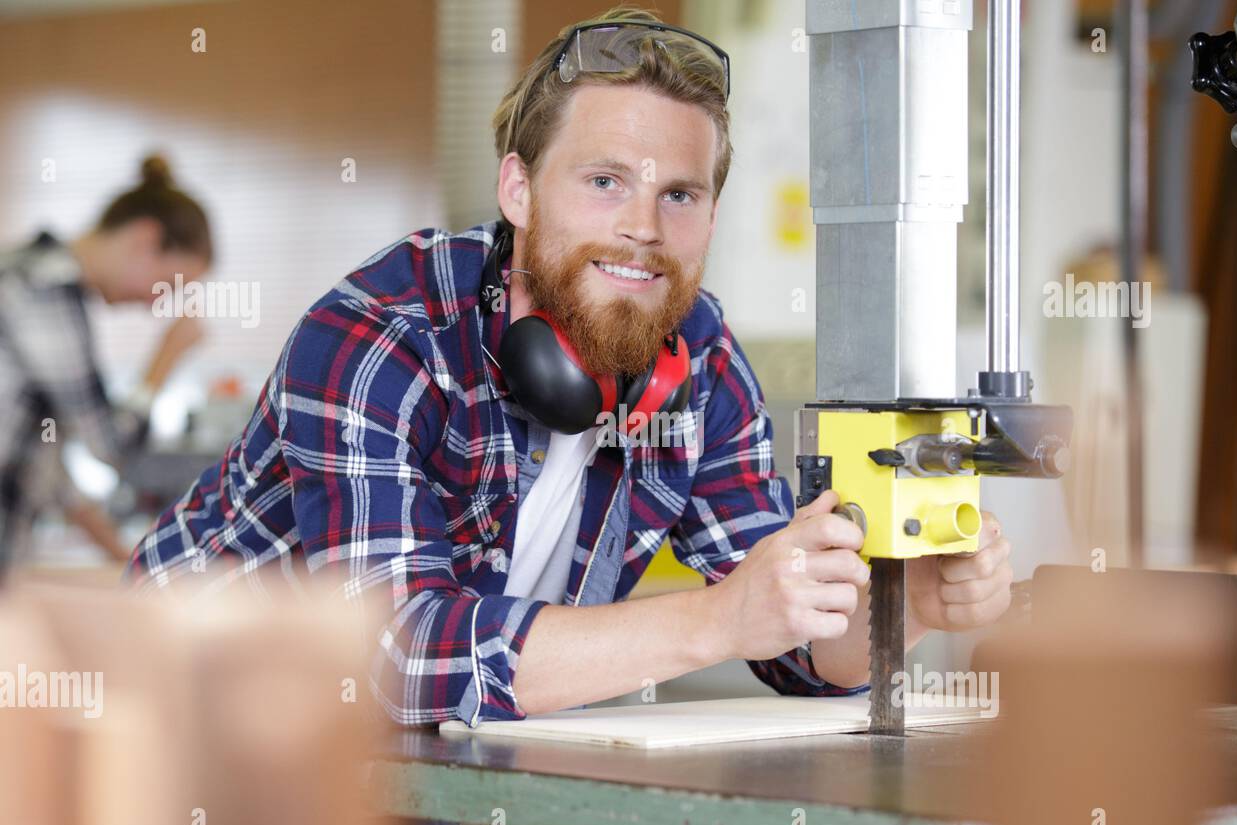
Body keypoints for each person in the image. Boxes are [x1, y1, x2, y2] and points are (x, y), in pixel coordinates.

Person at [125, 7, 1013, 727]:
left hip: (406, 758)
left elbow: (788, 642)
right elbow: (398, 657)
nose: (644, 227)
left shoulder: (697, 359)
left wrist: (908, 608)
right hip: (174, 723)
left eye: (680, 194)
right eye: (604, 181)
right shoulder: (377, 337)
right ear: (517, 190)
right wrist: (713, 618)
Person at [0, 154, 209, 579]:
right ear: (145, 239)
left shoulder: (28, 273)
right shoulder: (42, 289)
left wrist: (123, 555)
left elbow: (45, 466)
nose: (158, 306)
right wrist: (165, 358)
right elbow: (110, 446)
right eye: (169, 285)